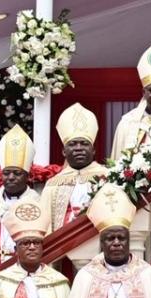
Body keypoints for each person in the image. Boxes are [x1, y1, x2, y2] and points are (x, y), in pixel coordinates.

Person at [43, 104, 111, 266]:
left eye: (84, 143)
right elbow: (45, 224)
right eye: (73, 144)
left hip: (98, 248)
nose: (78, 148)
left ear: (93, 150)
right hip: (61, 254)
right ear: (64, 151)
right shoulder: (53, 184)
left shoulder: (108, 178)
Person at [0, 126, 42, 266]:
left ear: (27, 176)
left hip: (26, 267)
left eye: (17, 173)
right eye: (6, 173)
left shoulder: (37, 202)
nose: (11, 177)